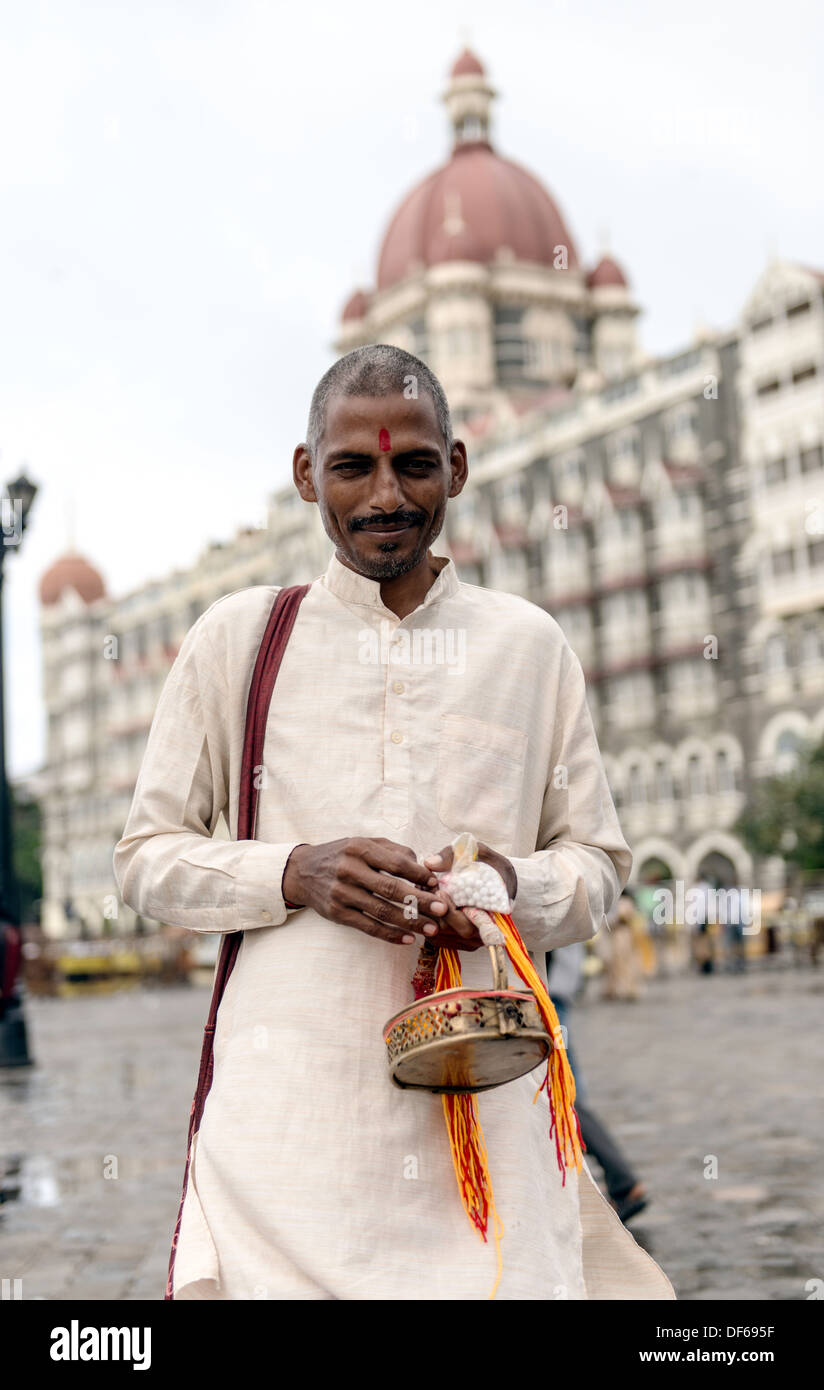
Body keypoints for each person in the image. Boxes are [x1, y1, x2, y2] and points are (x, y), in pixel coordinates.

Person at [114, 344, 674, 1301]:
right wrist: (295, 871)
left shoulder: (528, 645)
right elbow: (145, 861)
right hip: (289, 1136)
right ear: (305, 475)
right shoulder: (238, 638)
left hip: (486, 1111)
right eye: (352, 466)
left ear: (455, 466)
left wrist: (507, 888)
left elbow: (599, 866)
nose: (385, 495)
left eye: (414, 464)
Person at [546, 943, 649, 1224]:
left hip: (547, 996)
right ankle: (616, 1183)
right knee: (564, 1092)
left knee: (560, 1093)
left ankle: (622, 1183)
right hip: (555, 994)